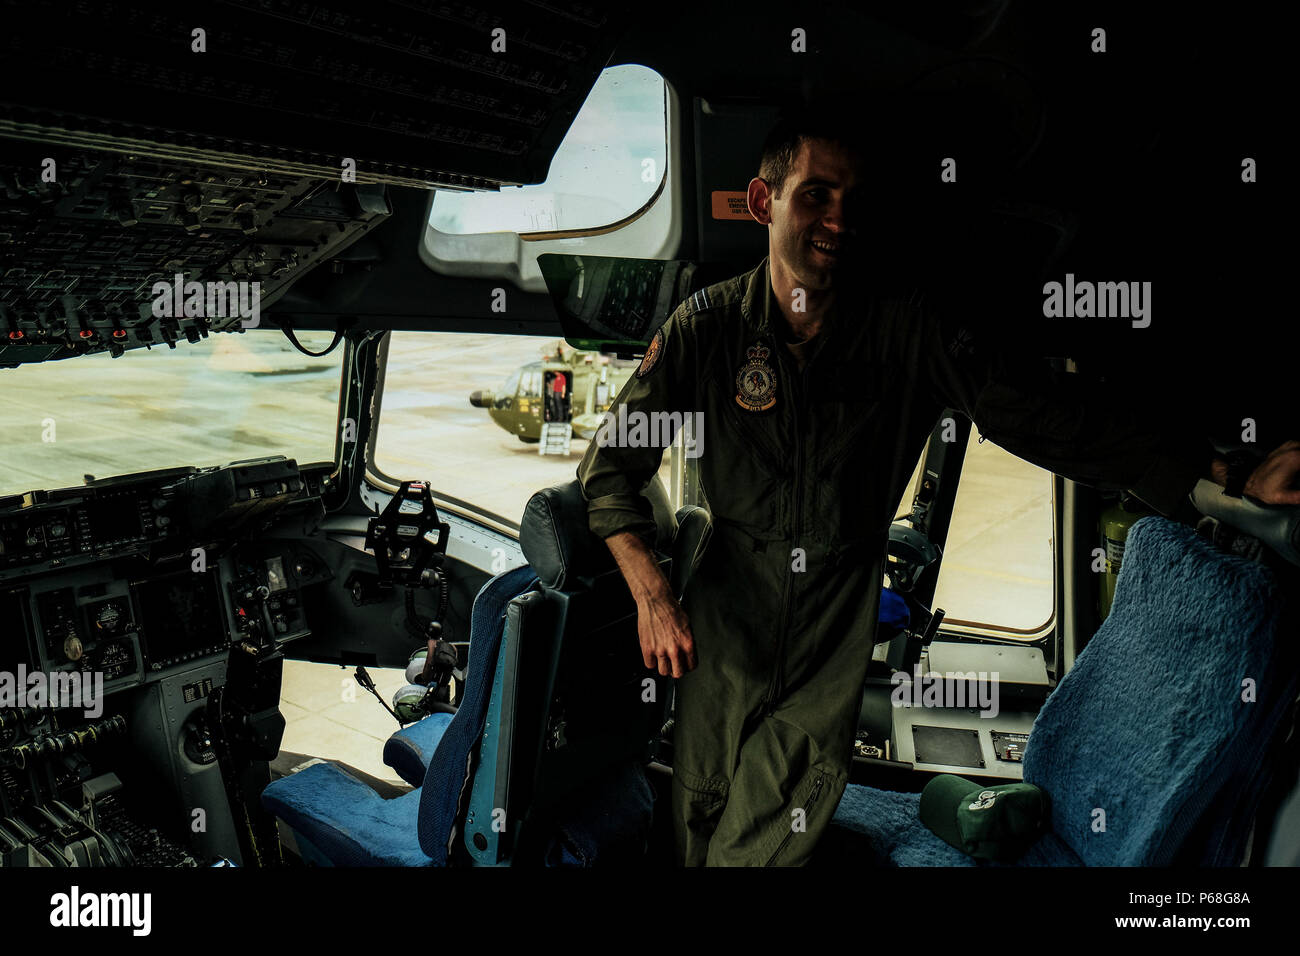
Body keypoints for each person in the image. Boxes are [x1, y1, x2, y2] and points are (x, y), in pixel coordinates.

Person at [575, 114, 1300, 866]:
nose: (836, 220)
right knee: (691, 823)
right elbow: (607, 475)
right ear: (764, 202)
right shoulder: (705, 329)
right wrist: (653, 596)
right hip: (720, 636)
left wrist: (1216, 472)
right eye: (815, 195)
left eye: (851, 201)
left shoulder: (905, 330)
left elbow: (1047, 420)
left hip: (827, 642)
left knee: (753, 852)